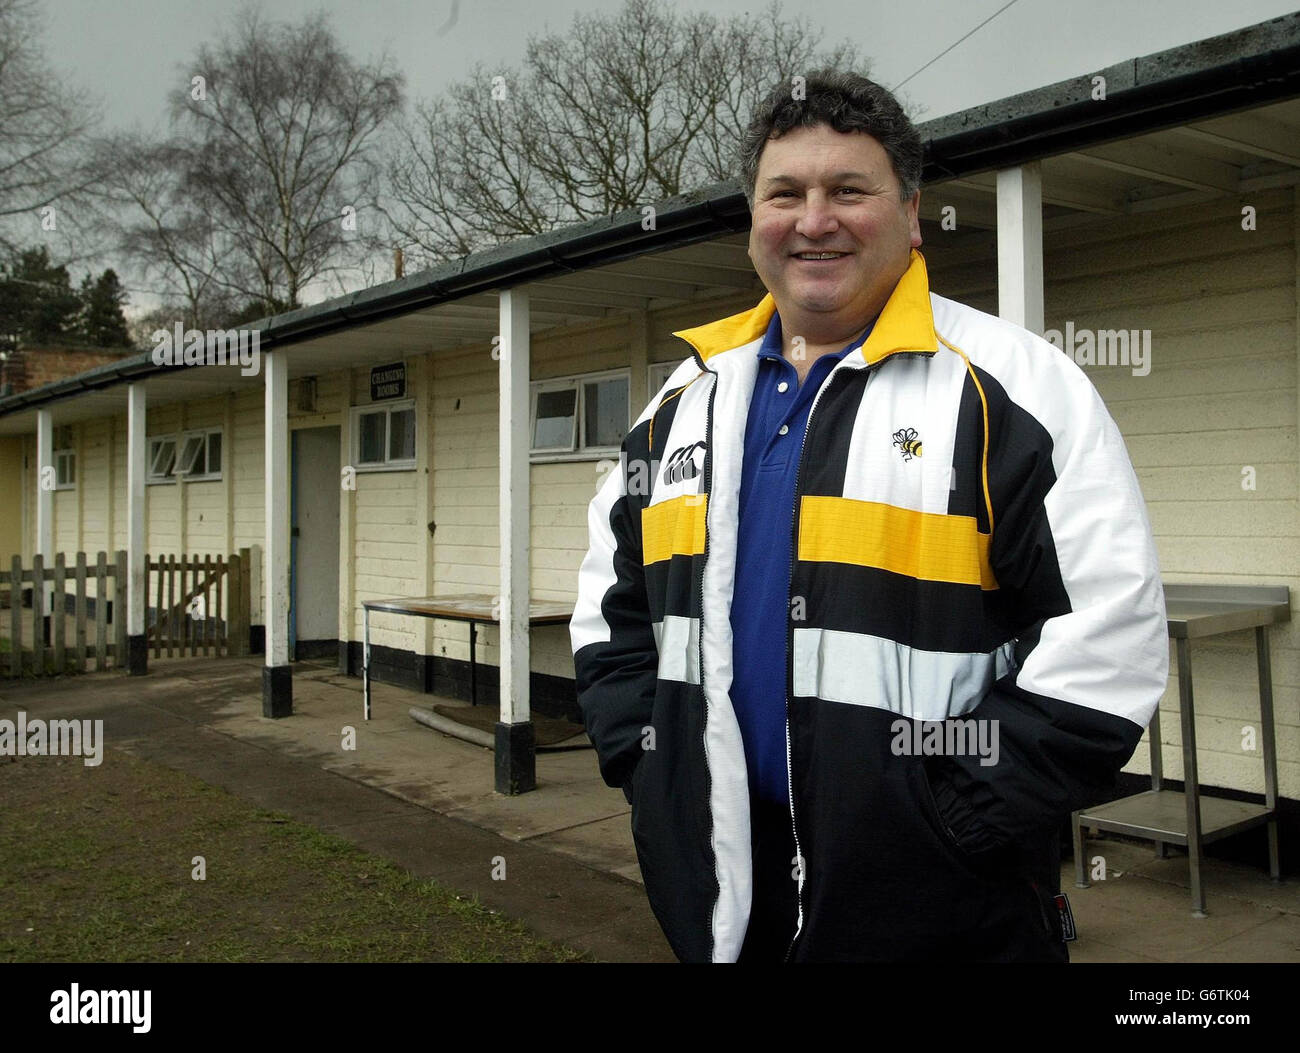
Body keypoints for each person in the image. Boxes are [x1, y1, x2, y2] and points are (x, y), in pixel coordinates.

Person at [569, 71, 1168, 963]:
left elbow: (1106, 654)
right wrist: (652, 770)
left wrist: (943, 822)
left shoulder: (1020, 391)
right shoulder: (680, 401)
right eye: (786, 194)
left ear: (912, 214)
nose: (815, 219)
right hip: (728, 897)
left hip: (947, 914)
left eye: (850, 189)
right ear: (754, 222)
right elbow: (607, 615)